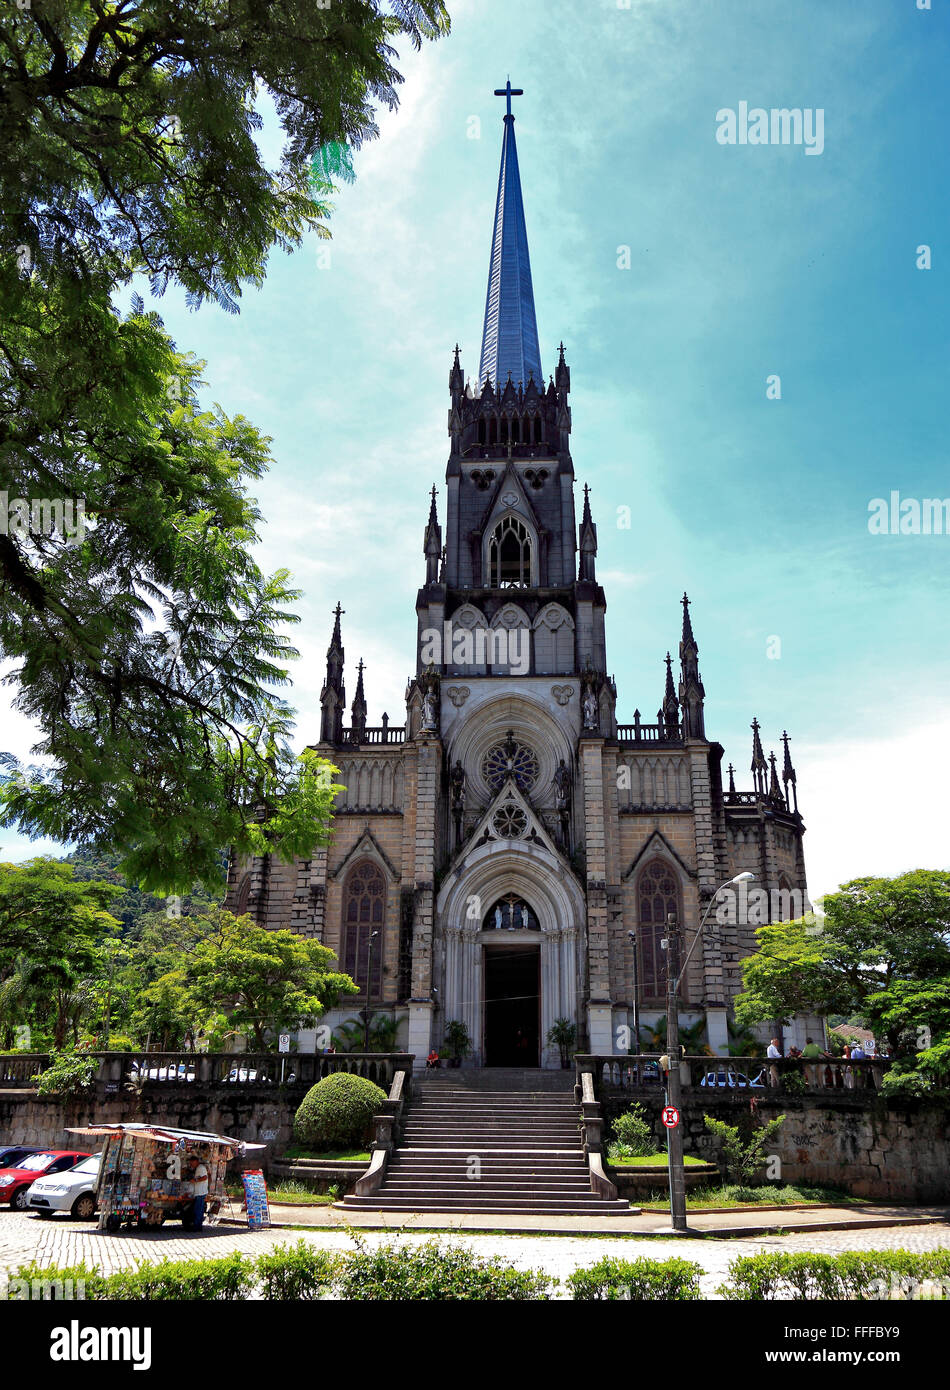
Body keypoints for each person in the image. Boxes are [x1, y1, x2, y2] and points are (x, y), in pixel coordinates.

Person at [188, 1155, 209, 1231]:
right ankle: (198, 1226)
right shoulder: (198, 1168)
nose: (191, 1165)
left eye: (192, 1163)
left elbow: (205, 1177)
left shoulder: (201, 1168)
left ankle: (197, 1226)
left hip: (201, 1192)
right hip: (199, 1192)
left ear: (196, 1161)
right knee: (198, 1210)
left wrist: (195, 1181)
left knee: (198, 1210)